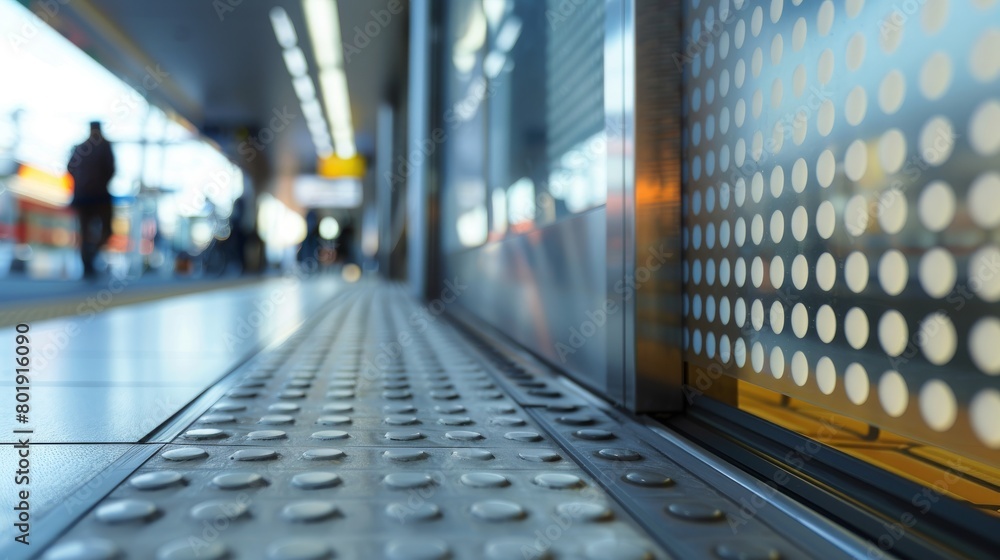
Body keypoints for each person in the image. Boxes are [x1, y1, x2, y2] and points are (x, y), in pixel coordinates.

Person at [67, 121, 115, 278]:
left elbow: (70, 168)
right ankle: (92, 254)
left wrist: (81, 183)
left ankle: (87, 261)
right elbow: (112, 170)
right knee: (106, 229)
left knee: (84, 230)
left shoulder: (80, 147)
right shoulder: (105, 146)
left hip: (81, 196)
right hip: (100, 196)